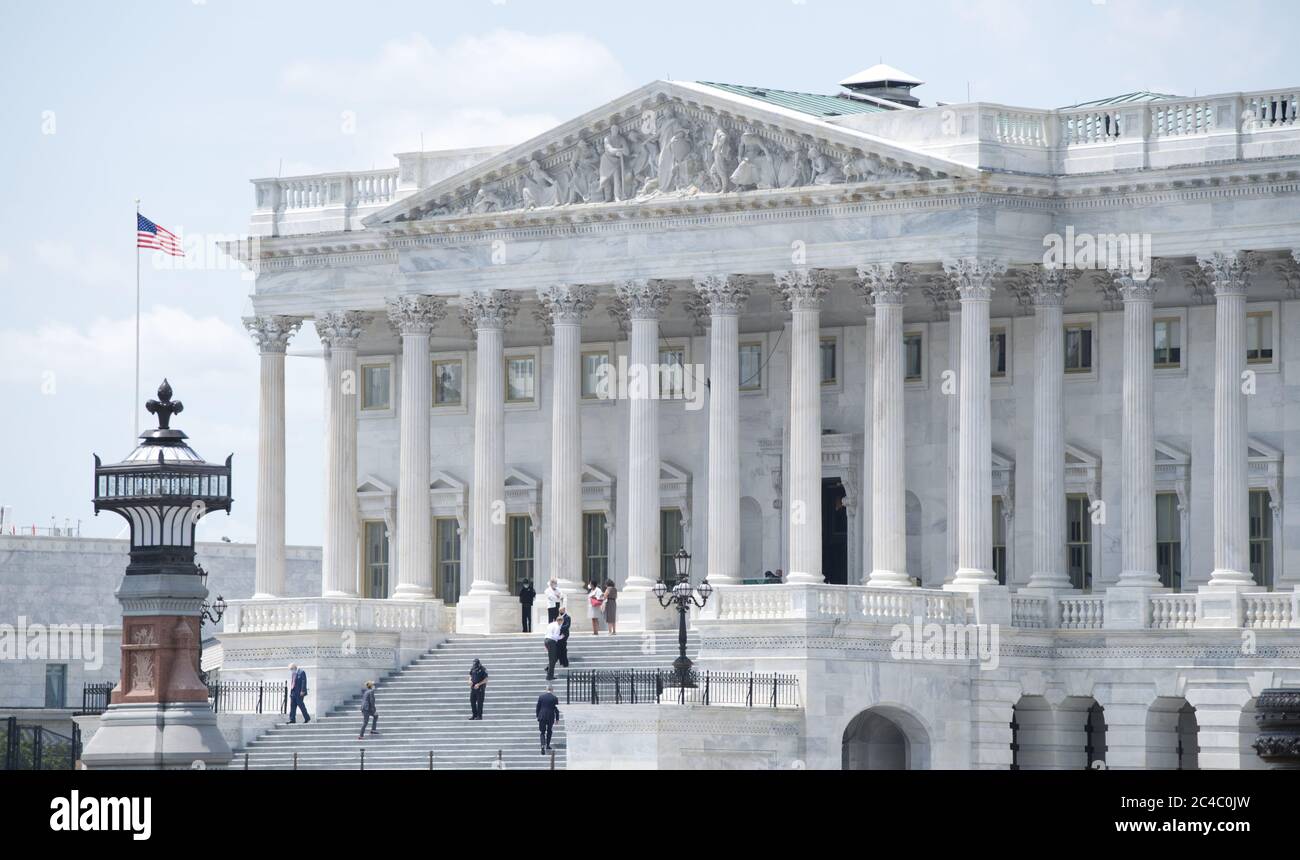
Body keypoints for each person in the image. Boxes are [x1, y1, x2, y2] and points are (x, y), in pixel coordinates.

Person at [536, 684, 561, 755]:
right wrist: (557, 719)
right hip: (550, 717)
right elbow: (556, 709)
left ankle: (542, 745)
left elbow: (538, 707)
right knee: (549, 731)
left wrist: (538, 716)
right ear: (552, 690)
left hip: (542, 716)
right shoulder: (555, 698)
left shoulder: (541, 697)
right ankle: (547, 745)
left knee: (542, 732)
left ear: (546, 689)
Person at [544, 616, 563, 681]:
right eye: (561, 622)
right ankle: (549, 676)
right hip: (552, 641)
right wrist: (561, 636)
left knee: (553, 658)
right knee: (552, 659)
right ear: (560, 621)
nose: (561, 624)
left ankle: (548, 669)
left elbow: (546, 632)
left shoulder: (551, 624)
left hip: (546, 640)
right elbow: (556, 636)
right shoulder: (557, 626)